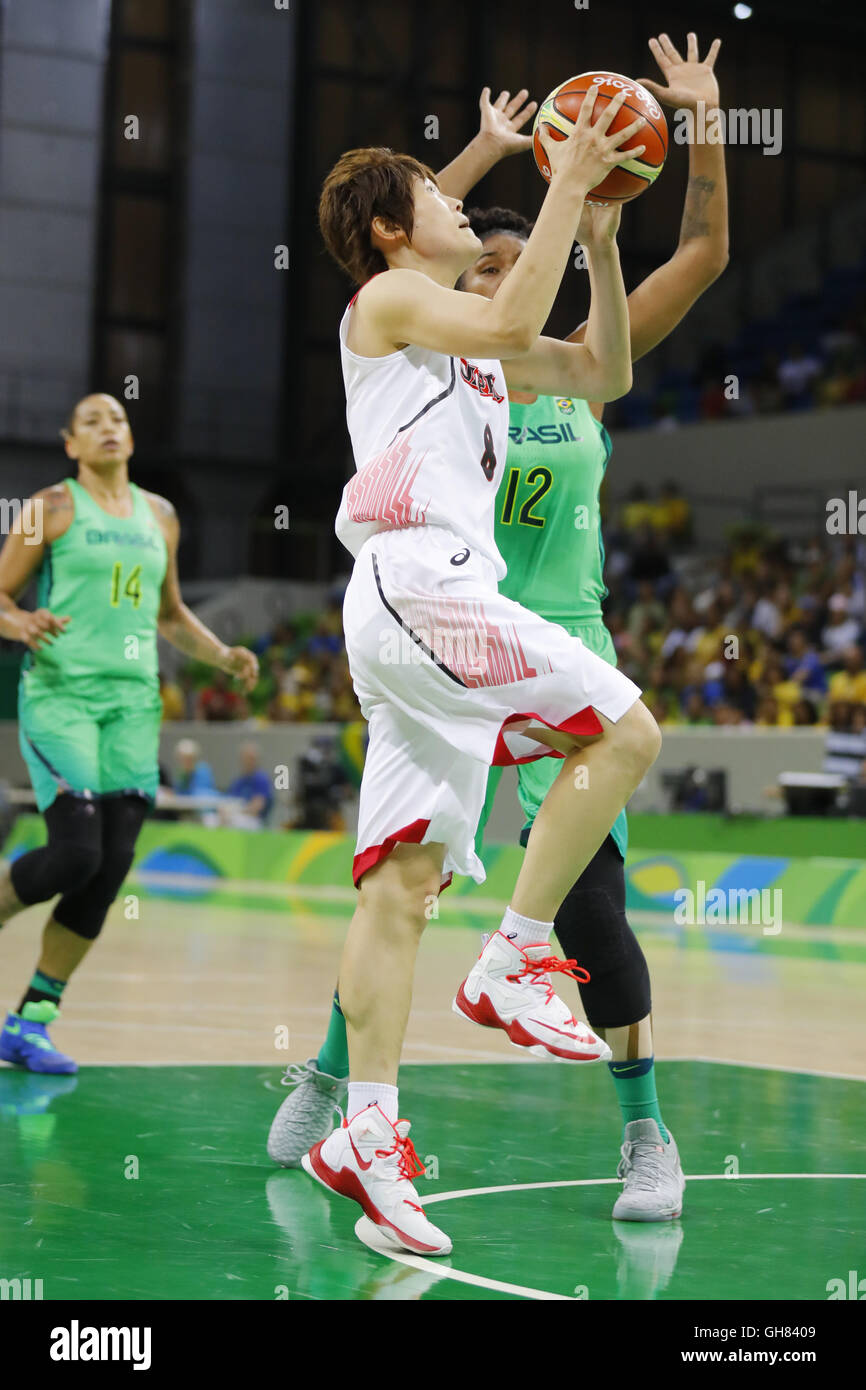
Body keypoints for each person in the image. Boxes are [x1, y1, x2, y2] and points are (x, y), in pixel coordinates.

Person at [269, 34, 727, 1230]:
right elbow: (486, 281)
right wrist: (567, 175)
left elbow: (600, 368)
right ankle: (514, 953)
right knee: (624, 731)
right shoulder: (393, 300)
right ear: (391, 232)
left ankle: (364, 1135)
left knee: (399, 883)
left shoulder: (468, 352)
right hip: (431, 589)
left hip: (407, 611)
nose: (457, 202)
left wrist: (602, 242)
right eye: (435, 195)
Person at [0, 394, 258, 1074]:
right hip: (63, 698)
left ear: (132, 438)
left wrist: (222, 655)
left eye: (117, 418)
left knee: (107, 870)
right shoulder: (51, 508)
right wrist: (20, 623)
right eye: (92, 421)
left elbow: (170, 613)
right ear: (70, 445)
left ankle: (30, 1022)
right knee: (75, 854)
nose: (109, 427)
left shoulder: (161, 516)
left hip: (132, 708)